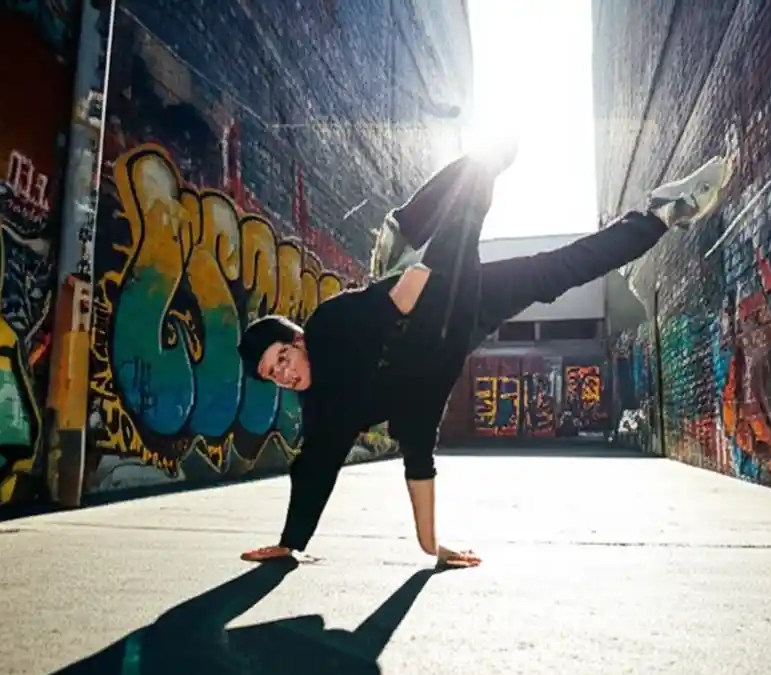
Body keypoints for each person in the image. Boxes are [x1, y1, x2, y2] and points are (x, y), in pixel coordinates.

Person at [236, 142, 732, 568]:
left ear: (295, 340)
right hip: (460, 327)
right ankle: (664, 214)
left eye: (280, 359)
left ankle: (419, 215)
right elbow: (343, 468)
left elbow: (402, 298)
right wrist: (428, 547)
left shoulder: (327, 326)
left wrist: (437, 254)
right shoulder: (327, 413)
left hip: (431, 295)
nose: (283, 375)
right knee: (560, 270)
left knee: (478, 211)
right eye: (272, 375)